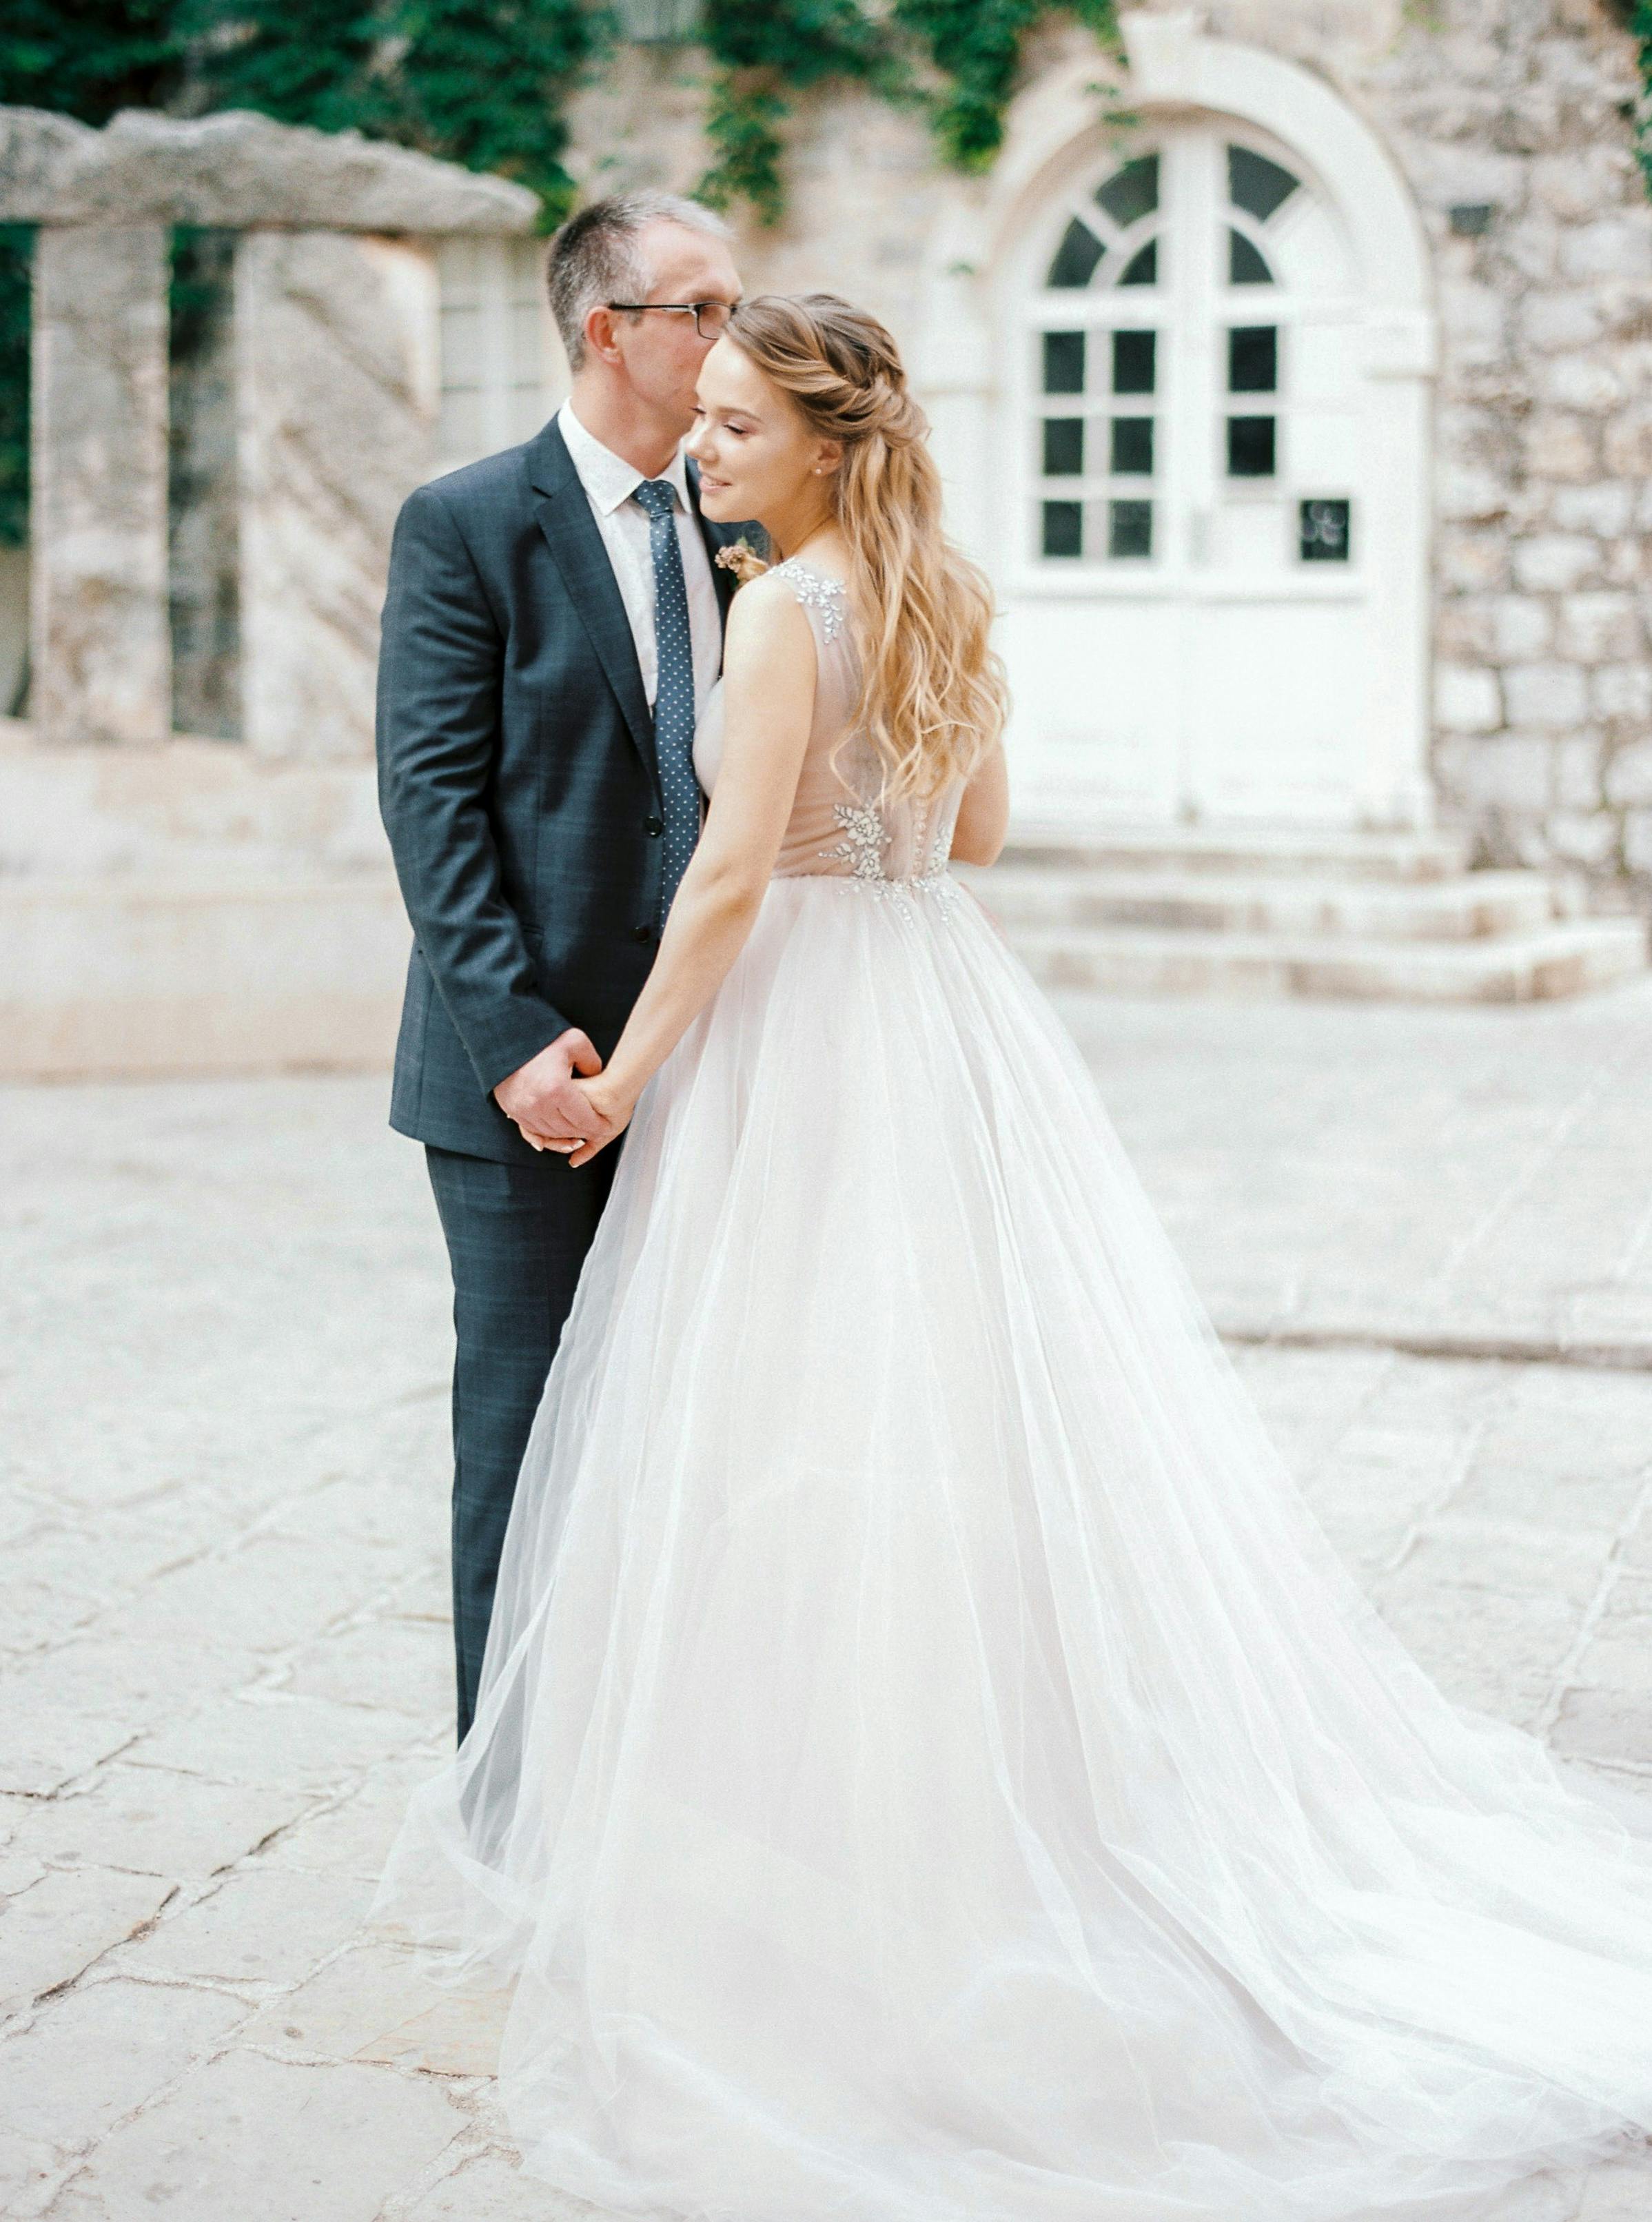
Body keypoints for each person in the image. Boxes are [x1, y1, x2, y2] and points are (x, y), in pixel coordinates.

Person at [371, 293, 1652, 2221]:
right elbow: (968, 832)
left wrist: (626, 1078)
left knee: (759, 1413)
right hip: (934, 1009)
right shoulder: (942, 592)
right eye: (696, 416)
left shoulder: (785, 610)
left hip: (798, 1025)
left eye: (731, 425)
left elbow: (725, 880)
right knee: (937, 1419)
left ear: (815, 439)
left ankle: (806, 1844)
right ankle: (941, 1805)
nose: (700, 450)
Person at [375, 191, 758, 1743]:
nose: (734, 338)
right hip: (528, 1075)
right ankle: (509, 1786)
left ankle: (657, 1764)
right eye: (705, 311)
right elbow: (430, 801)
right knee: (526, 1429)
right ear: (608, 330)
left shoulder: (746, 526)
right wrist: (516, 1035)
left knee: (706, 1418)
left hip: (720, 1052)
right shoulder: (467, 522)